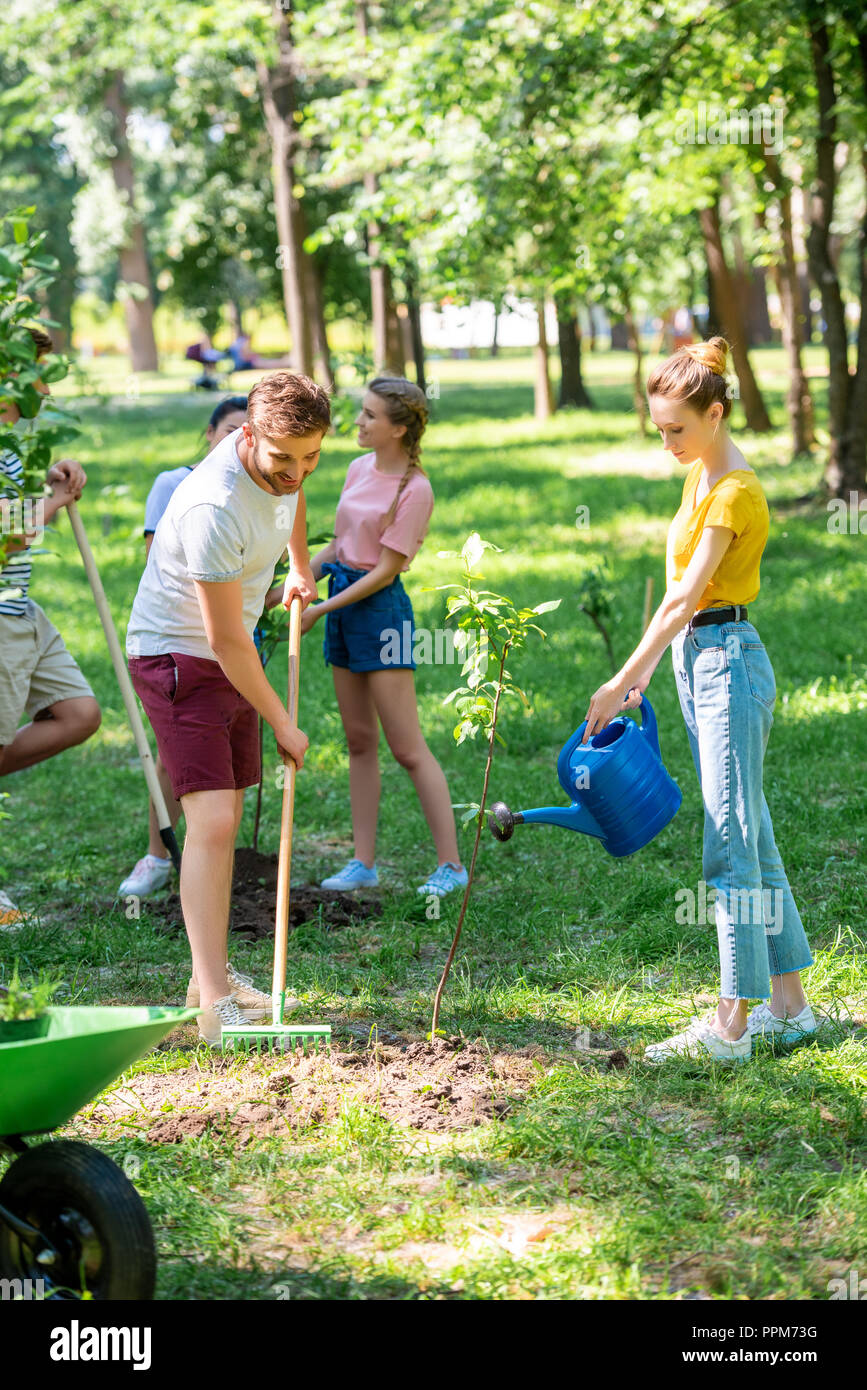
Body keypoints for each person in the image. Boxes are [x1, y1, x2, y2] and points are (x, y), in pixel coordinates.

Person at [582, 337, 815, 1065]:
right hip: (700, 660)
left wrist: (624, 675)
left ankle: (729, 1027)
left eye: (676, 428)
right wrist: (653, 670)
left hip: (726, 662)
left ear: (715, 414)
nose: (665, 442)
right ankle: (791, 1008)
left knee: (728, 843)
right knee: (752, 833)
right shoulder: (700, 474)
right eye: (657, 428)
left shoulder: (734, 491)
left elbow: (685, 594)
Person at [126, 372, 328, 1046]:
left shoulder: (283, 466)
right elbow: (225, 639)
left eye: (311, 459)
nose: (296, 474)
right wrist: (282, 721)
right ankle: (212, 1005)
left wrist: (298, 565)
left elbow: (292, 501)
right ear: (247, 435)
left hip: (225, 657)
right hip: (181, 658)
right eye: (282, 460)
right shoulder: (213, 507)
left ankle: (204, 981)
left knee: (225, 815)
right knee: (212, 822)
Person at [303, 377, 468, 899]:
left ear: (398, 429)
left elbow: (384, 571)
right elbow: (341, 545)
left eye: (371, 416)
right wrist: (305, 578)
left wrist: (321, 607)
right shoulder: (356, 468)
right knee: (358, 741)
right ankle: (363, 862)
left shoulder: (413, 490)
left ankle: (452, 865)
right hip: (341, 606)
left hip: (380, 614)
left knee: (407, 747)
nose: (359, 421)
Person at [118, 396, 249, 901]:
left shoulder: (256, 489)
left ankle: (211, 867)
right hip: (182, 641)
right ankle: (157, 853)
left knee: (226, 766)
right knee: (177, 756)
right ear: (210, 432)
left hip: (234, 639)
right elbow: (160, 557)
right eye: (230, 429)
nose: (238, 439)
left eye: (247, 431)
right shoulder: (175, 485)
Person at [0, 327, 101, 924]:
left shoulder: (14, 442)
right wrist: (53, 505)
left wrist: (47, 476)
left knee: (79, 712)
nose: (45, 382)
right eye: (36, 370)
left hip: (24, 612)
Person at [226, 333, 291, 372]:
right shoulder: (242, 343)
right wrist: (254, 355)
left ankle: (284, 362)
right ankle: (284, 362)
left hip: (247, 363)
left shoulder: (238, 342)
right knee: (266, 363)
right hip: (245, 364)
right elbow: (244, 357)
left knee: (266, 362)